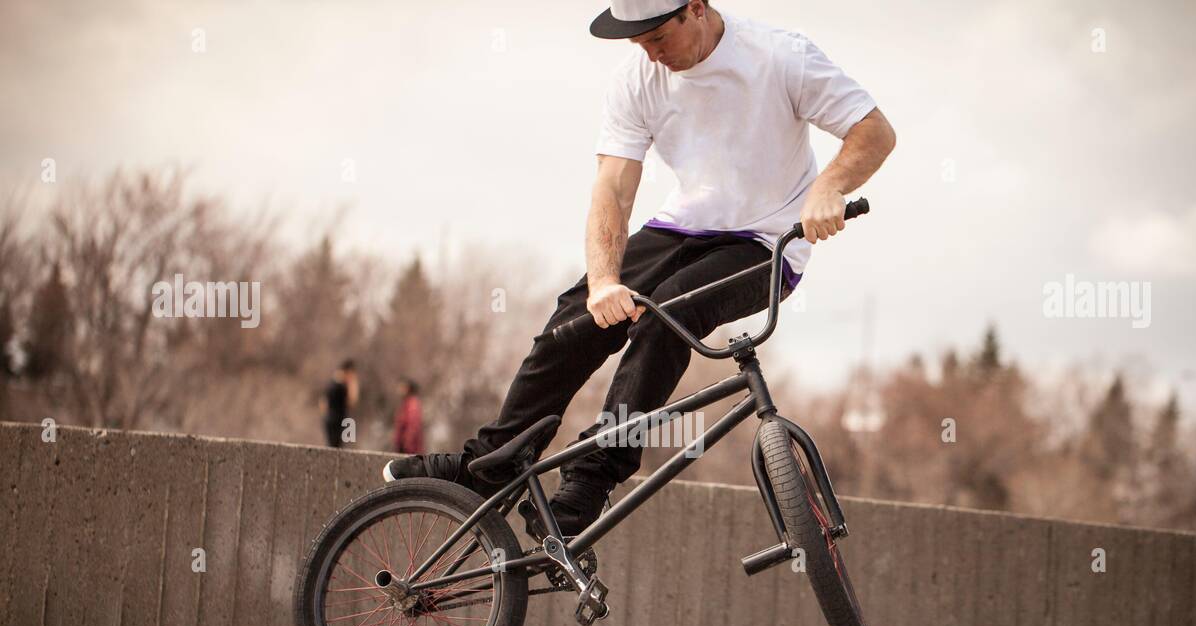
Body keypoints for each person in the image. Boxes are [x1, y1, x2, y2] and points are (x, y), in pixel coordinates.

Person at [384, 1, 895, 538]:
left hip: (766, 242)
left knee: (670, 312)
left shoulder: (780, 56)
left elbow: (874, 130)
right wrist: (604, 281)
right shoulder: (637, 77)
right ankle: (491, 464)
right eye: (638, 43)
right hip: (681, 226)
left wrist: (829, 186)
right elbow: (613, 186)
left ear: (695, 8)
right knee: (576, 319)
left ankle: (593, 478)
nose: (650, 53)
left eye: (657, 38)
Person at [321, 359, 358, 447]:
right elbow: (351, 401)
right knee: (337, 446)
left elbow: (323, 403)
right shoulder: (342, 386)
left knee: (332, 445)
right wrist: (353, 384)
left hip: (330, 418)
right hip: (339, 419)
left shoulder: (331, 383)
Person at [392, 378, 426, 454]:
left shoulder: (412, 404)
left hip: (409, 449)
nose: (399, 390)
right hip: (405, 447)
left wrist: (406, 444)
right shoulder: (406, 403)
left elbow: (413, 426)